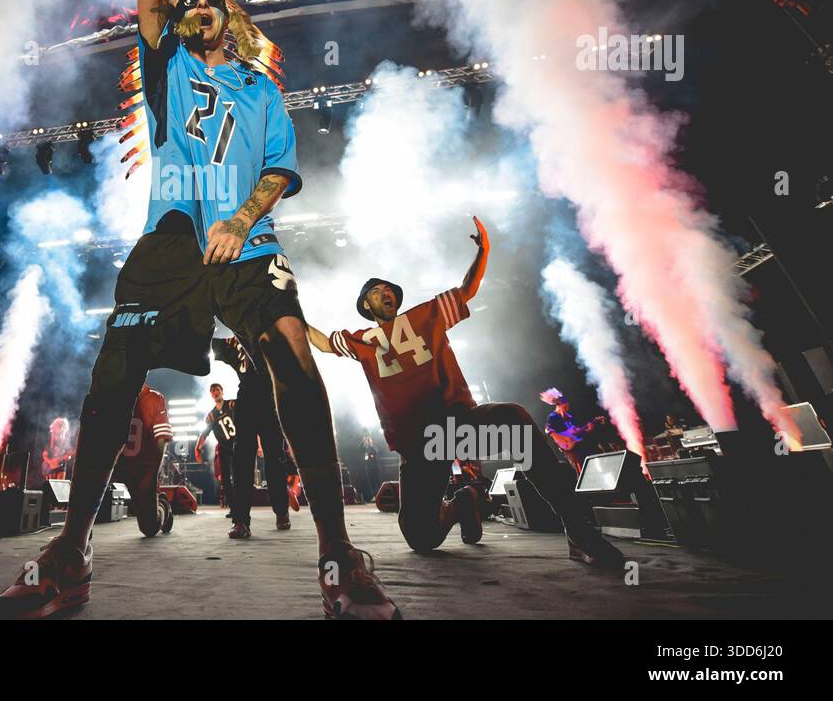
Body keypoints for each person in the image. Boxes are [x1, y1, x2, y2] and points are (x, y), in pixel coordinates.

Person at [0, 0, 400, 620]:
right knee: (112, 381)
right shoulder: (168, 64)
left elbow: (281, 171)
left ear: (231, 19)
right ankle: (70, 554)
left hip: (248, 247)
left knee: (294, 359)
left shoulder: (262, 89)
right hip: (169, 245)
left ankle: (335, 552)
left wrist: (239, 217)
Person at [306, 216, 625, 570]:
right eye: (378, 290)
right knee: (421, 539)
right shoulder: (361, 340)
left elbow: (467, 289)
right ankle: (464, 501)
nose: (386, 292)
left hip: (453, 427)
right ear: (366, 304)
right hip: (417, 448)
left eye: (389, 289)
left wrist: (483, 251)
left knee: (513, 417)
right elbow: (321, 342)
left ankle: (578, 530)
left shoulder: (425, 315)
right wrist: (286, 313)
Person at [212, 336, 293, 538]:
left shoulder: (270, 332)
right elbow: (210, 341)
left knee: (274, 458)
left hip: (269, 397)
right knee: (242, 461)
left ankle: (281, 510)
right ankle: (241, 520)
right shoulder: (236, 341)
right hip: (246, 399)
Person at [113, 383, 175, 536]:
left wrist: (153, 472)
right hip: (120, 465)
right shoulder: (115, 396)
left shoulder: (154, 397)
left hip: (143, 468)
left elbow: (162, 438)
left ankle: (162, 505)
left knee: (149, 528)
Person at [540, 389, 619, 474]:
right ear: (559, 405)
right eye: (564, 407)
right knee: (581, 471)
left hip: (579, 445)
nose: (566, 409)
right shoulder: (553, 417)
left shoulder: (569, 417)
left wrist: (588, 430)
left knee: (592, 464)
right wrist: (565, 438)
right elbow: (549, 431)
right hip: (570, 449)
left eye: (567, 406)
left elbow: (576, 433)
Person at [194, 383, 238, 511]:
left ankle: (240, 507)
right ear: (211, 395)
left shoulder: (231, 404)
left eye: (217, 389)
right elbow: (204, 433)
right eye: (213, 390)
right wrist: (198, 448)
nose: (215, 392)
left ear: (222, 392)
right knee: (225, 480)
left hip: (237, 444)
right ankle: (233, 509)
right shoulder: (211, 415)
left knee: (238, 477)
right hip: (224, 448)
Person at [359, 431, 381, 503]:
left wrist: (369, 447)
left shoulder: (373, 448)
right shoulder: (365, 448)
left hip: (374, 468)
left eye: (368, 440)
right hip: (368, 468)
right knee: (369, 483)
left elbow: (375, 453)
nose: (367, 442)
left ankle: (376, 496)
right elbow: (360, 448)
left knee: (375, 482)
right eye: (366, 440)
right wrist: (363, 441)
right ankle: (371, 496)